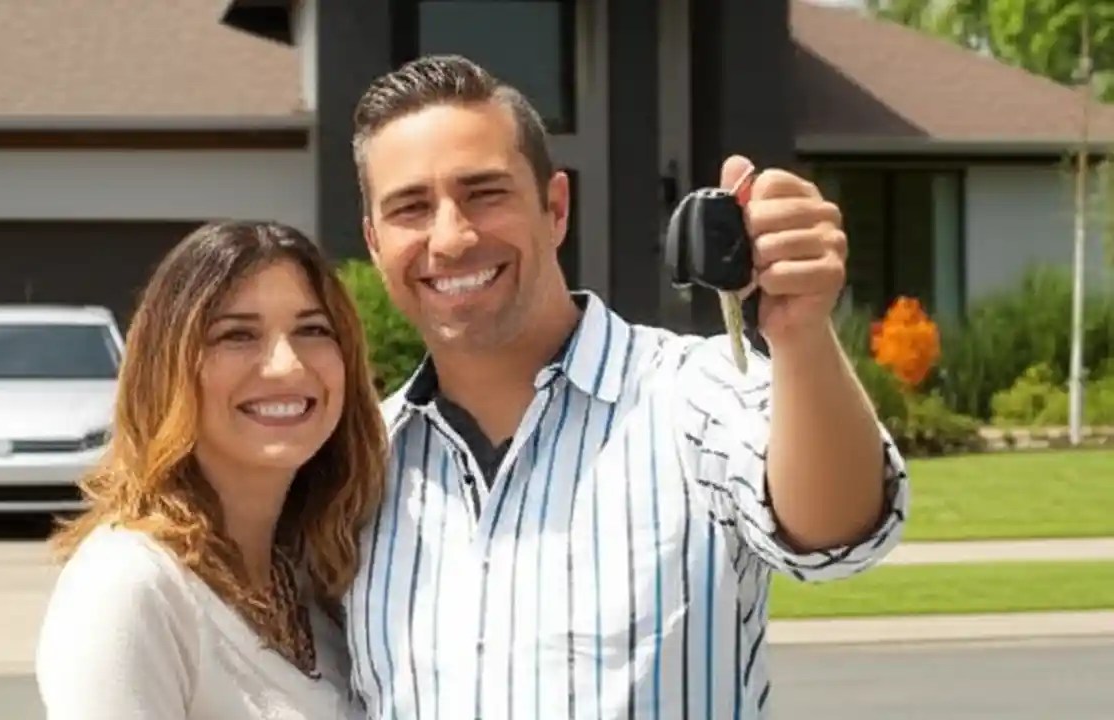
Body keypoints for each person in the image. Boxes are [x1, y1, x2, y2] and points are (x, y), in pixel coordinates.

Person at [342, 55, 910, 719]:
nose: (452, 236)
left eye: (485, 194)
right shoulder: (354, 469)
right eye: (411, 208)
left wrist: (802, 332)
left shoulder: (695, 395)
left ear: (555, 207)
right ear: (374, 242)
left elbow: (838, 536)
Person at [35, 221, 385, 719]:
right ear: (167, 369)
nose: (287, 366)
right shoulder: (130, 586)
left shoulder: (316, 576)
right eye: (237, 335)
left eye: (312, 330)